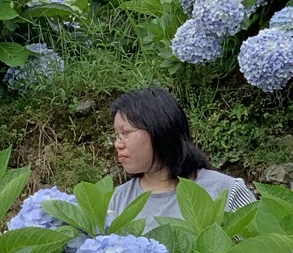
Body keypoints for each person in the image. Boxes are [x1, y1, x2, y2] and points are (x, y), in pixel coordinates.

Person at [108, 86, 257, 230]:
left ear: (159, 130)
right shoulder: (118, 200)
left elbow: (259, 246)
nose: (117, 144)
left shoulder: (225, 190)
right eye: (117, 135)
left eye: (125, 133)